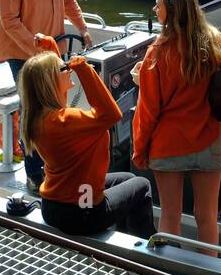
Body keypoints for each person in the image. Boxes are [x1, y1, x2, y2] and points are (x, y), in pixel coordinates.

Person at [0, 0, 93, 193]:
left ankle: (55, 166)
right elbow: (9, 21)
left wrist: (82, 27)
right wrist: (37, 50)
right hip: (24, 55)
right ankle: (35, 173)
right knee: (34, 112)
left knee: (55, 108)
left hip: (54, 49)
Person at [131, 0, 221, 248]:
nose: (155, 9)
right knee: (208, 217)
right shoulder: (216, 41)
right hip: (209, 140)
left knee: (170, 215)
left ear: (172, 11)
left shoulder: (158, 52)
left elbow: (148, 109)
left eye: (159, 5)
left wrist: (140, 150)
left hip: (168, 145)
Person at [18, 51, 154, 238]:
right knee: (142, 184)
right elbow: (111, 114)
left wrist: (49, 47)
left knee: (128, 179)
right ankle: (145, 249)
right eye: (64, 68)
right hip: (82, 210)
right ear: (50, 80)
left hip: (55, 204)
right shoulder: (64, 120)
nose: (69, 69)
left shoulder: (40, 117)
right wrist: (84, 69)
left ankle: (124, 236)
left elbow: (43, 71)